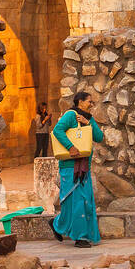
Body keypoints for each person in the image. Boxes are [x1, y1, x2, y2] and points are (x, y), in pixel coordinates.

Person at [51, 91, 105, 247]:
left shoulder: (89, 118)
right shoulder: (70, 115)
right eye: (89, 101)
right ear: (80, 102)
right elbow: (57, 131)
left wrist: (88, 123)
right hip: (70, 167)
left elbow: (99, 137)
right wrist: (71, 147)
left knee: (84, 202)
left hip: (84, 169)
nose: (91, 104)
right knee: (75, 202)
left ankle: (57, 225)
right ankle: (79, 237)